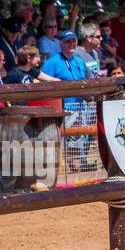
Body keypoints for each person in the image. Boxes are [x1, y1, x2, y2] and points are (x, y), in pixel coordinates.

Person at [43, 31, 93, 171]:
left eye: (74, 41)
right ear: (61, 44)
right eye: (68, 42)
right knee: (58, 139)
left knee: (76, 140)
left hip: (80, 107)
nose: (72, 44)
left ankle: (75, 170)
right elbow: (42, 84)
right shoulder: (52, 62)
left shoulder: (79, 61)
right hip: (62, 109)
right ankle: (53, 172)